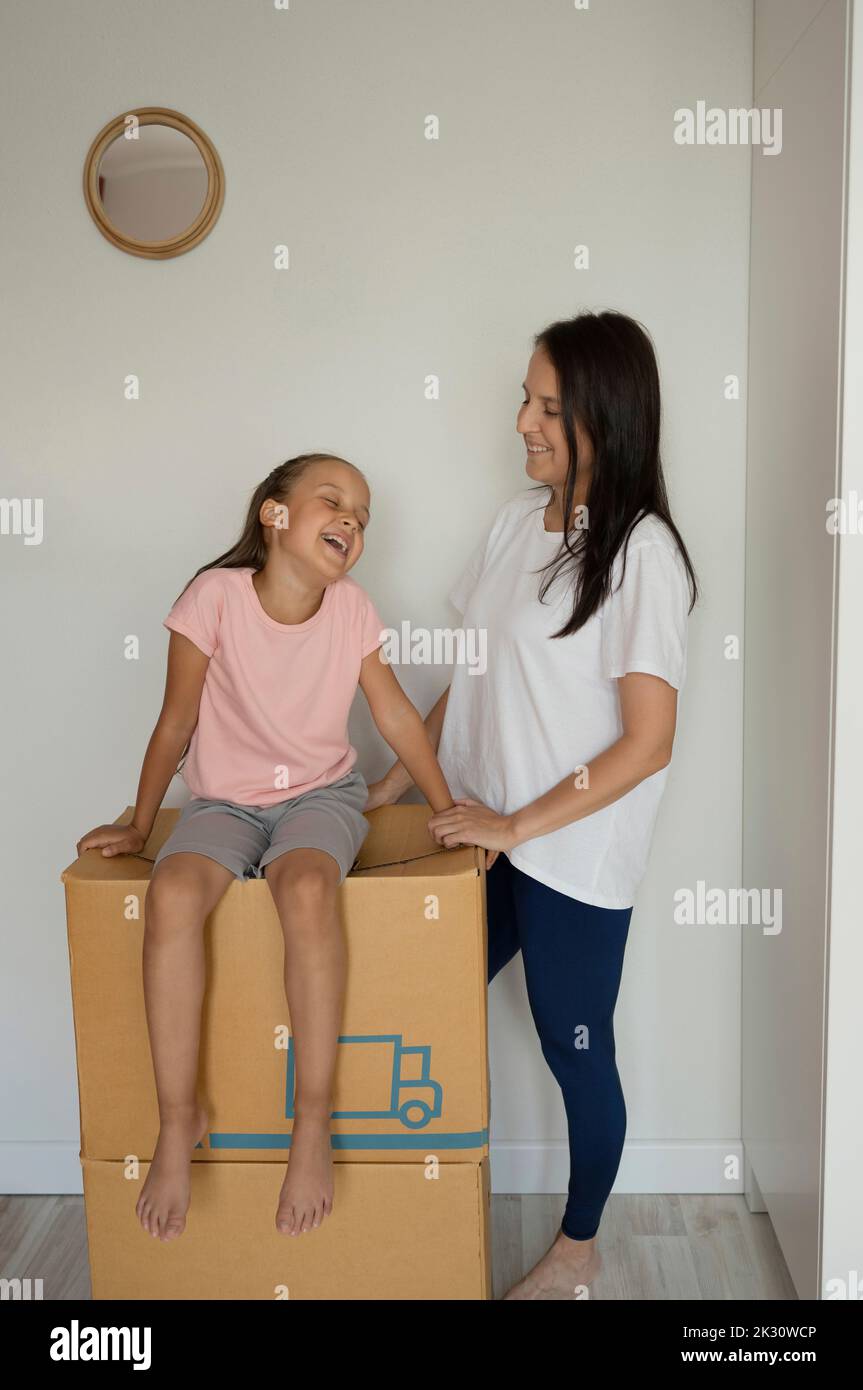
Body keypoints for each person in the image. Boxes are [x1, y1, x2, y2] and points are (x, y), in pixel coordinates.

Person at [366, 310, 698, 1300]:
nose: (522, 421)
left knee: (571, 1040)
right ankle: (402, 1194)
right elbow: (470, 669)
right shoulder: (516, 522)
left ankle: (577, 1249)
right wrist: (393, 771)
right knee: (412, 995)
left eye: (546, 405)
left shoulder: (642, 554)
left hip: (569, 850)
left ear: (606, 414)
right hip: (481, 827)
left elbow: (647, 740)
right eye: (524, 397)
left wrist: (515, 827)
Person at [75, 453, 455, 1243]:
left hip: (321, 796)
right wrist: (144, 826)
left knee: (308, 888)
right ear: (273, 516)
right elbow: (176, 722)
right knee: (172, 894)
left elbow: (393, 717)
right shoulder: (213, 598)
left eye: (363, 514)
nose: (351, 520)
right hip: (224, 803)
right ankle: (179, 1120)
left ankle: (310, 1123)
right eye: (332, 502)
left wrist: (444, 809)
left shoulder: (350, 610)